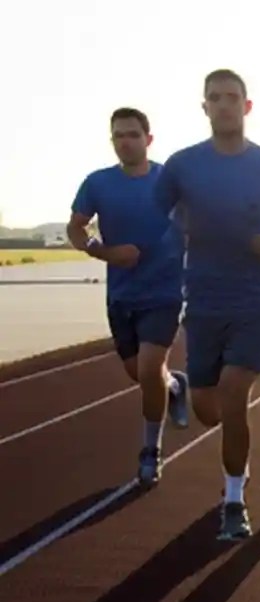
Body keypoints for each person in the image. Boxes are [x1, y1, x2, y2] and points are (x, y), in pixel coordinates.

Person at [155, 68, 260, 541]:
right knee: (209, 410)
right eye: (215, 98)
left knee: (233, 393)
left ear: (247, 107)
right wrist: (172, 239)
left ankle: (234, 499)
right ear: (204, 107)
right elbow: (159, 216)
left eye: (232, 97)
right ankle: (242, 359)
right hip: (204, 297)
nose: (224, 105)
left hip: (258, 296)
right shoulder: (182, 165)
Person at [65, 107, 190, 488]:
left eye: (133, 134)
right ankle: (174, 386)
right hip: (122, 295)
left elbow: (202, 221)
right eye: (118, 135)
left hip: (165, 291)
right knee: (141, 375)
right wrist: (103, 251)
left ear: (148, 140)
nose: (125, 141)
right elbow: (76, 228)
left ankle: (150, 451)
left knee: (150, 369)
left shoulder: (170, 182)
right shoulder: (98, 183)